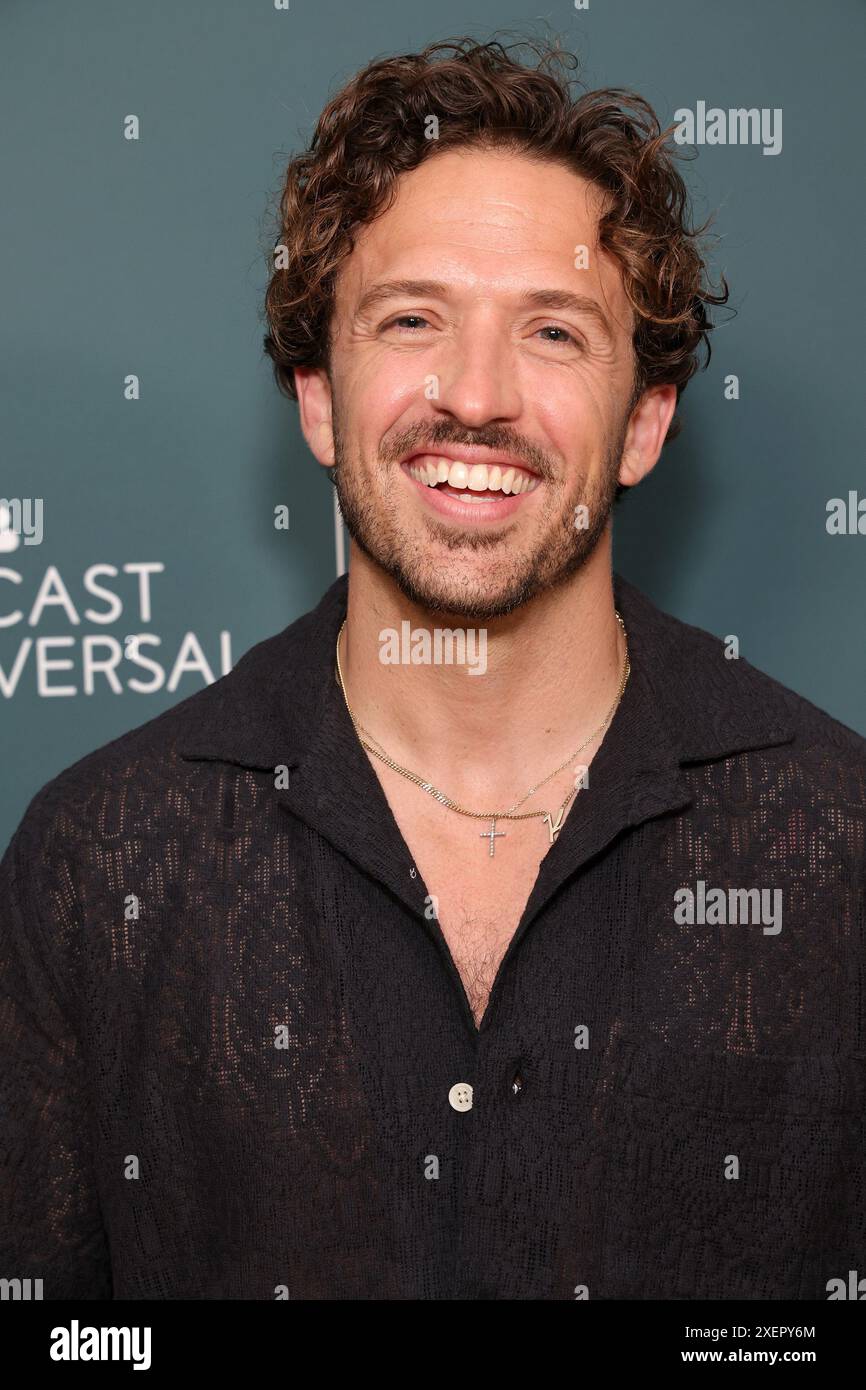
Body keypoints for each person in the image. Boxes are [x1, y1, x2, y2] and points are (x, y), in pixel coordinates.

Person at [1, 37, 864, 1301]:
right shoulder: (98, 861)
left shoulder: (839, 849)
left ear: (642, 421)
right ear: (316, 397)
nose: (474, 395)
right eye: (413, 320)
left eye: (553, 332)